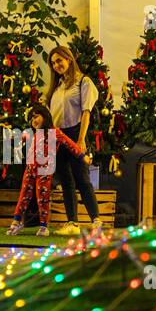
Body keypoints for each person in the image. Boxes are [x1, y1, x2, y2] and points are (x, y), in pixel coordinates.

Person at [7, 103, 90, 237]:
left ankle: (44, 226)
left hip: (45, 172)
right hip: (30, 170)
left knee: (43, 198)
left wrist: (82, 156)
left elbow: (70, 145)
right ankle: (16, 223)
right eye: (31, 118)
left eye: (36, 117)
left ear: (45, 116)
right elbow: (22, 137)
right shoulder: (32, 133)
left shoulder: (55, 132)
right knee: (24, 196)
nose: (33, 121)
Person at [45, 45, 102, 237]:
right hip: (57, 136)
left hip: (75, 132)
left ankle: (96, 221)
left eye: (59, 60)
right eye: (53, 63)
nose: (57, 65)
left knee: (82, 179)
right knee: (66, 181)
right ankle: (72, 222)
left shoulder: (83, 82)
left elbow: (86, 113)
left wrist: (81, 140)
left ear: (69, 59)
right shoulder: (57, 86)